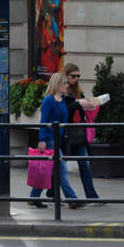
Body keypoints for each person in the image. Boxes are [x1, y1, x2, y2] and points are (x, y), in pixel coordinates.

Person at [29, 71, 82, 207]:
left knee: (47, 172)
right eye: (65, 83)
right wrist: (42, 140)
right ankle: (72, 199)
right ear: (58, 85)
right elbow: (43, 121)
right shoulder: (48, 100)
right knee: (62, 171)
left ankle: (33, 197)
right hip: (49, 140)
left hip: (58, 140)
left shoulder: (62, 99)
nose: (67, 86)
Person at [60, 62, 103, 204]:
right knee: (59, 166)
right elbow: (64, 111)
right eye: (73, 76)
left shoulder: (79, 91)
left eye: (78, 76)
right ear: (66, 76)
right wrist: (78, 104)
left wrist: (91, 103)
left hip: (79, 133)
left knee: (85, 164)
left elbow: (82, 109)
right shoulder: (61, 91)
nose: (76, 79)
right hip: (65, 134)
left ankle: (92, 197)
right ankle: (49, 193)